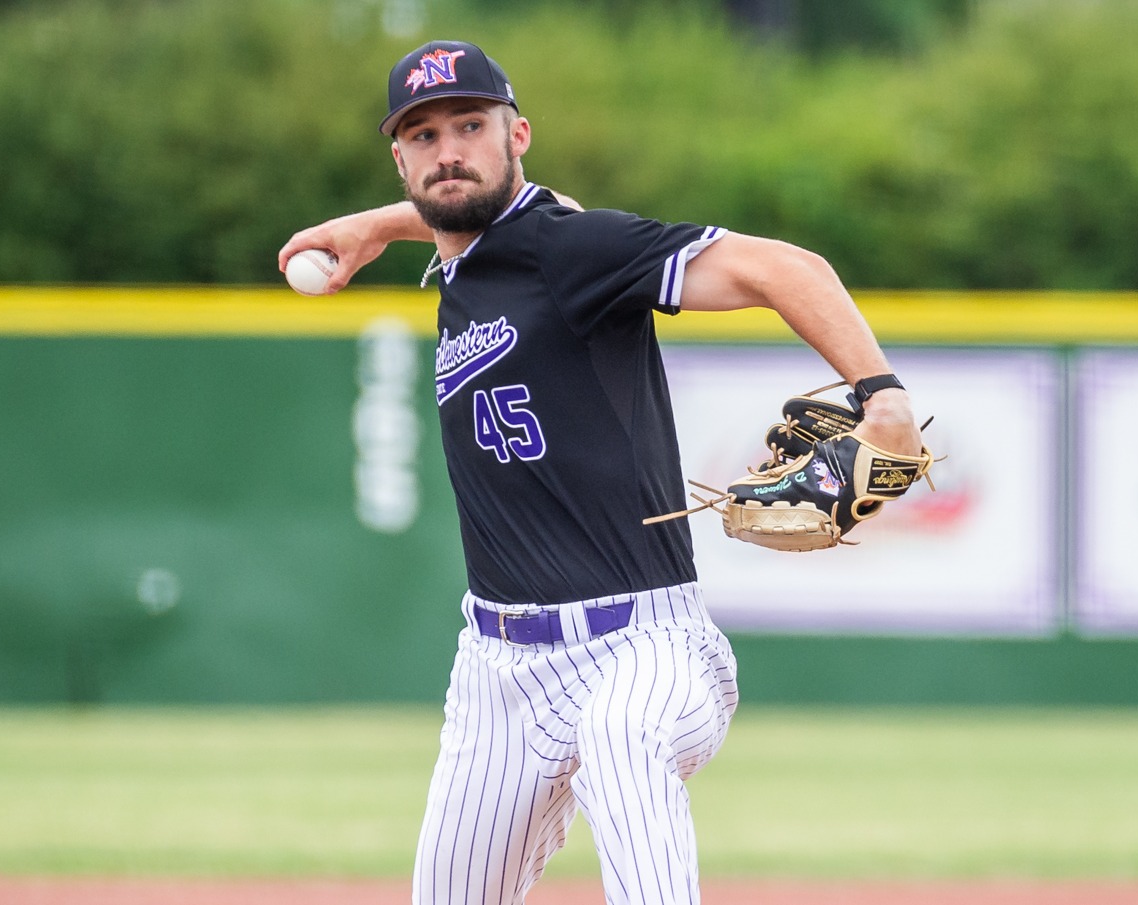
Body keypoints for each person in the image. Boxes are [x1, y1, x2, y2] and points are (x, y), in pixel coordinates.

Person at [278, 39, 923, 905]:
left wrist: (879, 396)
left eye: (472, 124)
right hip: (496, 671)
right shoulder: (470, 259)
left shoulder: (567, 248)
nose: (450, 150)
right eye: (423, 135)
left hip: (642, 647)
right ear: (399, 159)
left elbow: (786, 269)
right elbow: (456, 214)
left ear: (519, 136)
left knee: (623, 742)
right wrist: (375, 226)